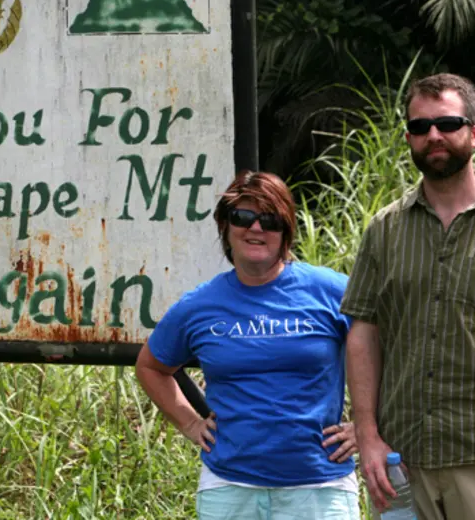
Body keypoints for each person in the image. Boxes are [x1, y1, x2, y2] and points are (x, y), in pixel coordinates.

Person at [340, 73, 475, 520]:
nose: (434, 136)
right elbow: (363, 335)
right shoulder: (384, 229)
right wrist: (367, 436)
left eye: (447, 123)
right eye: (420, 127)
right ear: (408, 137)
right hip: (403, 465)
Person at [135, 171, 361, 520]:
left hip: (319, 487)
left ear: (286, 230)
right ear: (225, 226)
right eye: (243, 217)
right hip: (229, 488)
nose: (256, 228)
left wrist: (368, 427)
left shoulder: (331, 291)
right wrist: (190, 424)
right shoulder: (199, 305)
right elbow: (151, 366)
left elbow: (394, 352)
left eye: (270, 220)